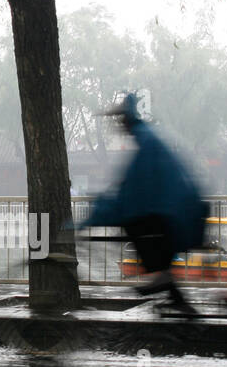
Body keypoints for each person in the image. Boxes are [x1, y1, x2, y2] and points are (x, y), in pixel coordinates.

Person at [76, 92, 208, 314]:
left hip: (173, 215)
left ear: (126, 120)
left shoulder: (145, 143)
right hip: (180, 210)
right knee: (148, 238)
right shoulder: (147, 138)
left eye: (121, 121)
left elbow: (130, 193)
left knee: (136, 225)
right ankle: (174, 295)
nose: (120, 126)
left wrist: (91, 218)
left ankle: (162, 281)